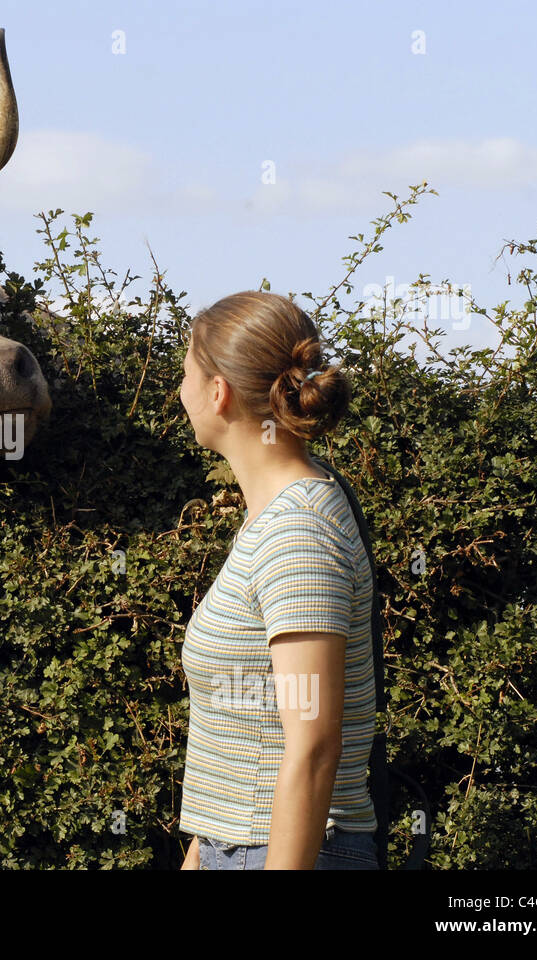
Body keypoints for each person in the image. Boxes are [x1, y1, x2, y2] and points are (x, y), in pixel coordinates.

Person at [176, 291, 379, 870]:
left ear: (218, 393)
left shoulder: (299, 532)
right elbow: (244, 737)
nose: (181, 392)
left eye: (186, 375)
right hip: (239, 847)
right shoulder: (273, 519)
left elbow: (313, 747)